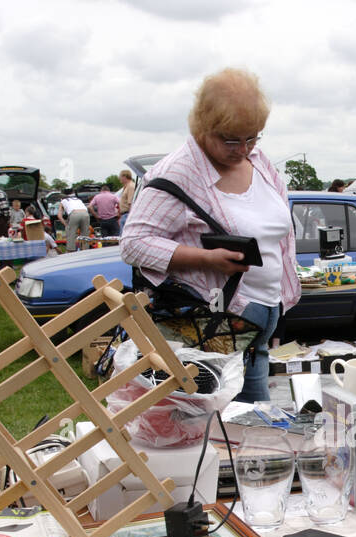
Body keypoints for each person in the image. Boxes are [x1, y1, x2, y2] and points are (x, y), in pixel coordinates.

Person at [122, 67, 299, 403]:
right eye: (231, 139)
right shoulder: (178, 173)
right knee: (219, 431)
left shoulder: (260, 161)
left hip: (260, 321)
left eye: (253, 136)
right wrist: (207, 259)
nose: (243, 149)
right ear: (203, 125)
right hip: (214, 328)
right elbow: (133, 244)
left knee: (253, 429)